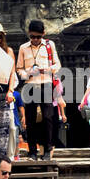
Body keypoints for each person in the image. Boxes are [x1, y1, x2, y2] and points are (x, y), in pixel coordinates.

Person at [15, 19, 60, 161]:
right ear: (29, 35)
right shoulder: (23, 47)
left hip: (46, 83)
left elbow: (57, 64)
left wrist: (48, 69)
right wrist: (28, 73)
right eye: (32, 37)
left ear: (43, 34)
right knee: (31, 119)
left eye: (38, 37)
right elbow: (19, 69)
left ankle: (47, 149)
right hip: (30, 84)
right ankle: (32, 151)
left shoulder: (49, 45)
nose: (35, 40)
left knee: (48, 117)